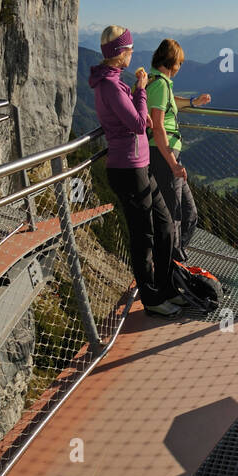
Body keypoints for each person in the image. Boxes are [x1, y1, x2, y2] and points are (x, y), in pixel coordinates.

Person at [88, 25, 182, 317]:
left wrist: (136, 93)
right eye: (129, 49)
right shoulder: (109, 86)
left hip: (140, 164)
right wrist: (141, 90)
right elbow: (140, 124)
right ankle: (152, 300)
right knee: (143, 237)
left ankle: (165, 287)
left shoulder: (114, 82)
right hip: (128, 168)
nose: (132, 53)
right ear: (119, 53)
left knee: (164, 225)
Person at [144, 38, 211, 266]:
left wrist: (194, 101)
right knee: (174, 216)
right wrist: (172, 163)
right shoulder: (160, 85)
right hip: (164, 156)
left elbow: (171, 103)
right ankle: (171, 267)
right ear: (172, 62)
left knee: (187, 214)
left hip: (165, 155)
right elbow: (158, 125)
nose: (180, 68)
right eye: (179, 63)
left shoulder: (156, 82)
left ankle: (174, 261)